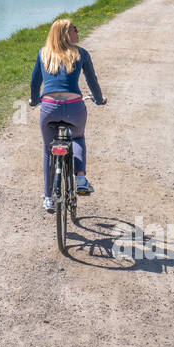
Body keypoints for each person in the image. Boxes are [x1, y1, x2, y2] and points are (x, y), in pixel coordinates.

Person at [29, 18, 106, 213]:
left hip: (49, 109)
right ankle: (80, 179)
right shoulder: (81, 54)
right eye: (74, 29)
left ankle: (48, 198)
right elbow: (92, 81)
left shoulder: (43, 53)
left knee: (48, 151)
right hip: (74, 108)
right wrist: (98, 100)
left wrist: (34, 100)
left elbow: (34, 83)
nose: (78, 31)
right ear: (66, 34)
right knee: (78, 137)